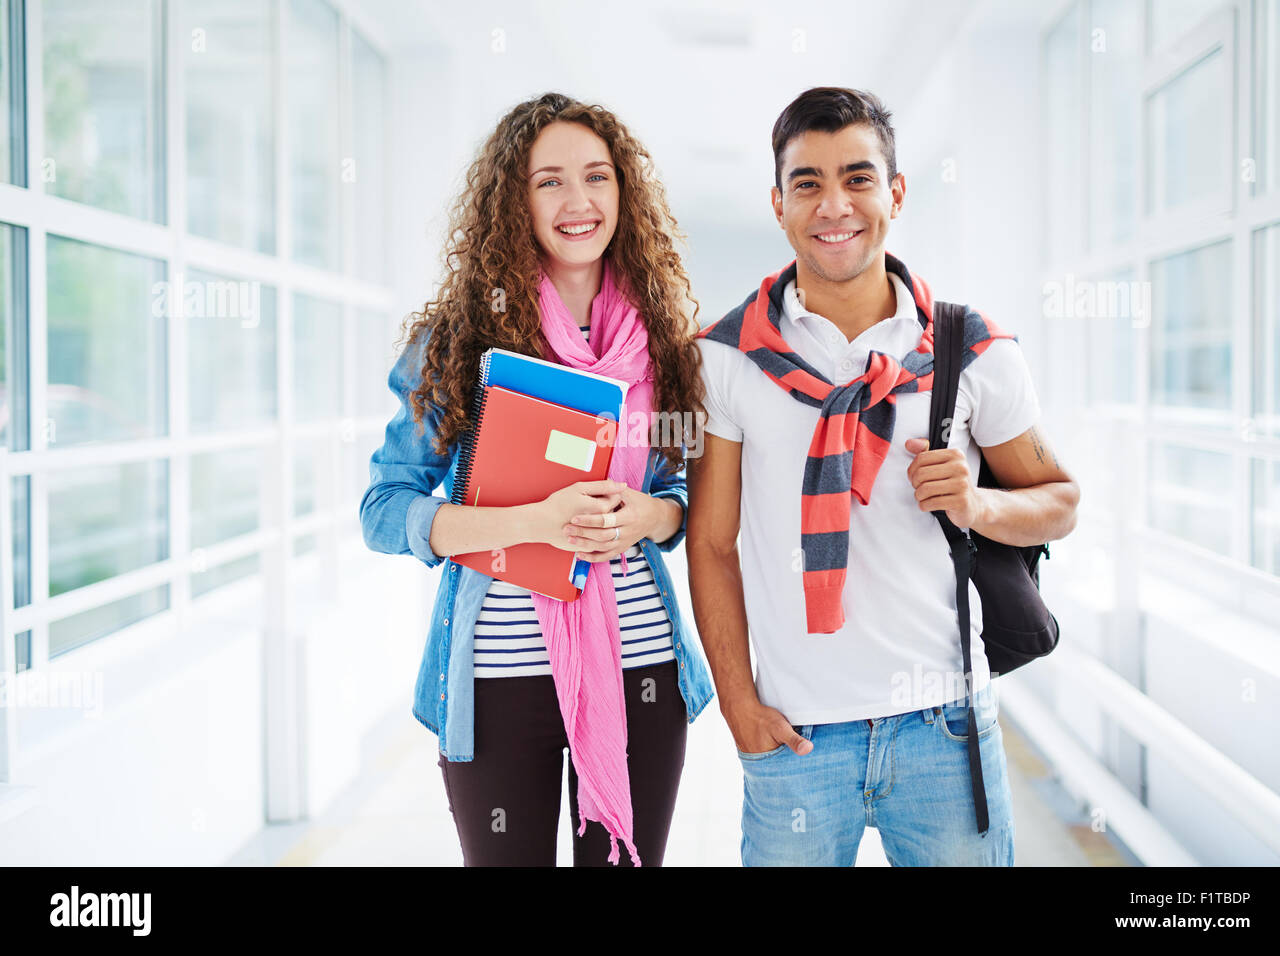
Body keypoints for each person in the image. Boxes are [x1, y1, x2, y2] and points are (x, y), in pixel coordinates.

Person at [686, 86, 1080, 866]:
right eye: (808, 183)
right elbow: (712, 543)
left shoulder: (971, 347)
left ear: (894, 193)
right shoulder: (724, 358)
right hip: (796, 736)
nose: (834, 204)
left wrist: (979, 506)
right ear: (778, 204)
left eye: (858, 178)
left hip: (947, 727)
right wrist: (737, 702)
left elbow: (1060, 502)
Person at [359, 92, 714, 867]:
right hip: (497, 678)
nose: (577, 201)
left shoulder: (663, 344)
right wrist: (530, 523)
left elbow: (682, 496)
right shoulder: (457, 342)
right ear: (513, 201)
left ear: (625, 191)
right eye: (548, 180)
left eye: (597, 176)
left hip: (639, 670)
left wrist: (649, 517)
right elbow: (383, 510)